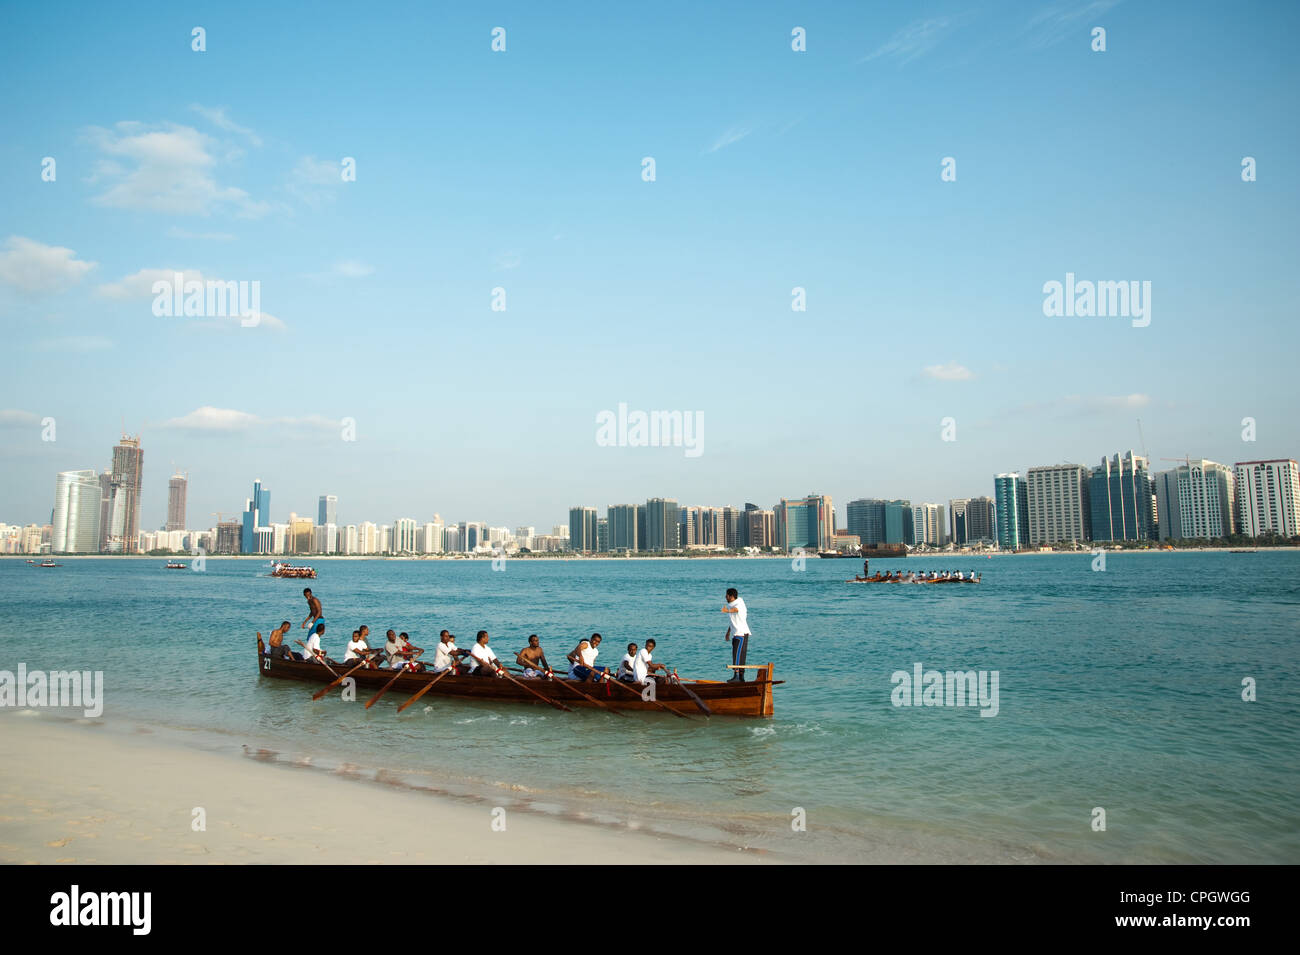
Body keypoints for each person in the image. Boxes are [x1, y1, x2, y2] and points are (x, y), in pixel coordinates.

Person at [721, 587, 751, 683]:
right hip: (736, 633)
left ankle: (737, 676)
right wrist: (728, 632)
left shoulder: (739, 603)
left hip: (741, 633)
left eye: (727, 595)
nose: (725, 597)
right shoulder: (731, 605)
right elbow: (733, 620)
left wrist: (727, 611)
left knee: (738, 655)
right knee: (738, 655)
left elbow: (736, 610)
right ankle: (740, 678)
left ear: (731, 596)